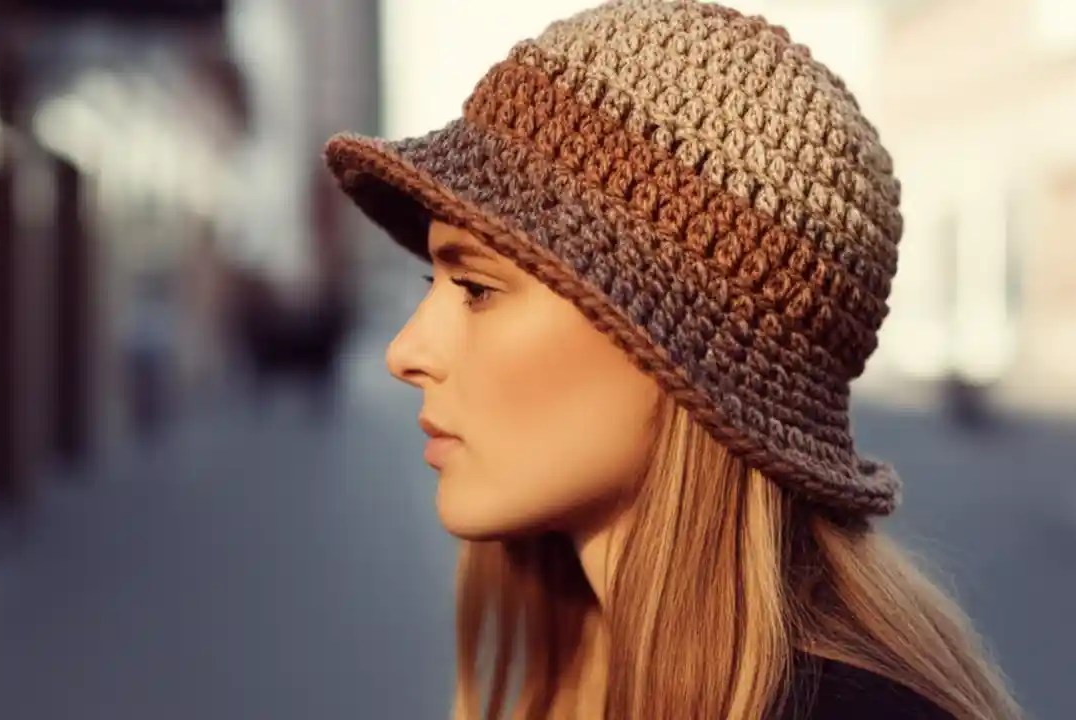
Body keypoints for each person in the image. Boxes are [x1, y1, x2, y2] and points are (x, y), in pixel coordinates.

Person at [325, 1, 1023, 718]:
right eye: (431, 281)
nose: (405, 353)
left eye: (476, 288)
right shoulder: (608, 680)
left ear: (681, 349)